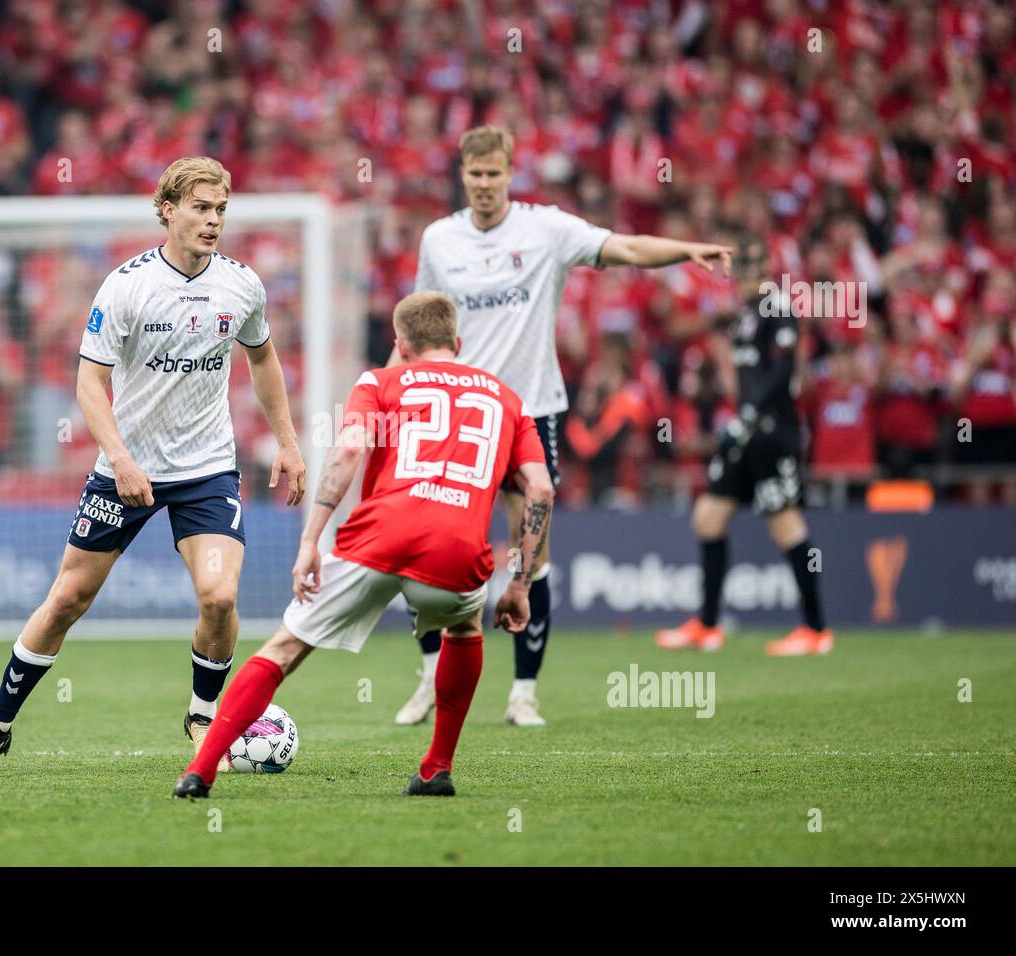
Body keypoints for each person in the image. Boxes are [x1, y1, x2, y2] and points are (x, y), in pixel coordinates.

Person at [0, 156, 306, 771]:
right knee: (67, 600)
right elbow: (90, 384)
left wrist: (290, 442)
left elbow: (263, 359)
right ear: (167, 209)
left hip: (206, 468)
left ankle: (200, 716)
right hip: (126, 468)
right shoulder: (126, 285)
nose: (212, 220)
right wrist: (122, 459)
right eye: (200, 207)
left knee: (219, 597)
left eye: (220, 210)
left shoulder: (242, 284)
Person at [396, 125, 734, 725]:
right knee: (431, 549)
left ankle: (523, 693)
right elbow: (419, 331)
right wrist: (389, 395)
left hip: (530, 412)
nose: (483, 185)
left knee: (531, 554)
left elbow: (625, 249)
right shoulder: (439, 239)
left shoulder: (546, 229)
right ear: (462, 175)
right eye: (474, 175)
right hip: (458, 414)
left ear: (510, 171)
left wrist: (687, 249)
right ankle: (428, 679)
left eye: (493, 174)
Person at [174, 291, 554, 798]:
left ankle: (200, 769)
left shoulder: (380, 380)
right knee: (464, 626)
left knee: (286, 648)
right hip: (458, 551)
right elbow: (542, 489)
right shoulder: (508, 400)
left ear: (400, 342)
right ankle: (436, 768)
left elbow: (351, 448)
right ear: (457, 342)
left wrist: (310, 539)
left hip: (380, 536)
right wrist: (521, 584)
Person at [655, 237, 833, 657]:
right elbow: (747, 377)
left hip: (773, 433)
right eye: (743, 272)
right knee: (708, 517)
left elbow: (783, 373)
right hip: (746, 431)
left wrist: (751, 415)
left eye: (756, 270)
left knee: (786, 524)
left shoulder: (779, 309)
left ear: (768, 271)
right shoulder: (745, 316)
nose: (748, 279)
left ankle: (816, 629)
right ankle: (708, 625)